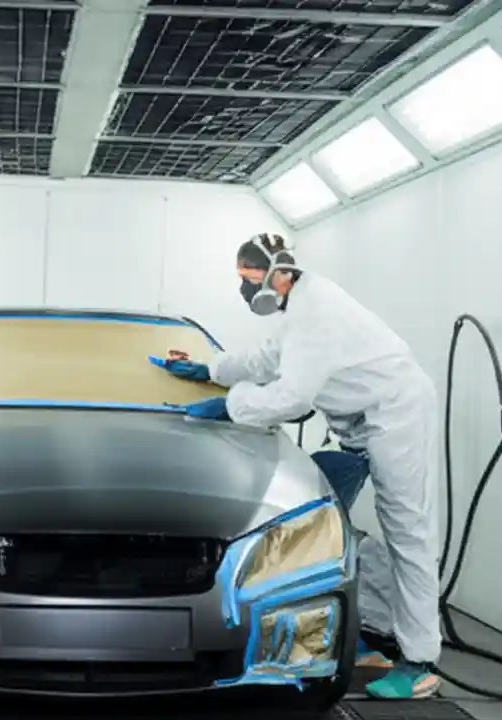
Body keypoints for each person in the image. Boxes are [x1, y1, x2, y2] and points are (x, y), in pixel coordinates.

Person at [161, 233, 442, 700]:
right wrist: (210, 369)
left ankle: (421, 663)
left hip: (396, 414)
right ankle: (383, 631)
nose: (244, 288)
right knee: (349, 532)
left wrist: (231, 405)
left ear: (276, 274)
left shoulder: (316, 311)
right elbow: (265, 360)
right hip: (362, 419)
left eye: (247, 278)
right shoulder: (297, 307)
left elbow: (292, 397)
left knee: (408, 531)